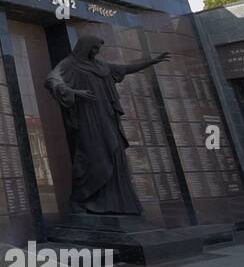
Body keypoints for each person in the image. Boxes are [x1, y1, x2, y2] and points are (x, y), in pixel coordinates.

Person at [45, 35, 169, 215]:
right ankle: (82, 200)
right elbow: (52, 80)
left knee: (115, 152)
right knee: (94, 158)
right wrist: (73, 91)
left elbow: (124, 68)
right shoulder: (69, 64)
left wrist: (151, 62)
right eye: (94, 48)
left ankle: (116, 203)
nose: (96, 52)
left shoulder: (100, 66)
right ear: (84, 47)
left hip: (107, 115)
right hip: (88, 119)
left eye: (97, 49)